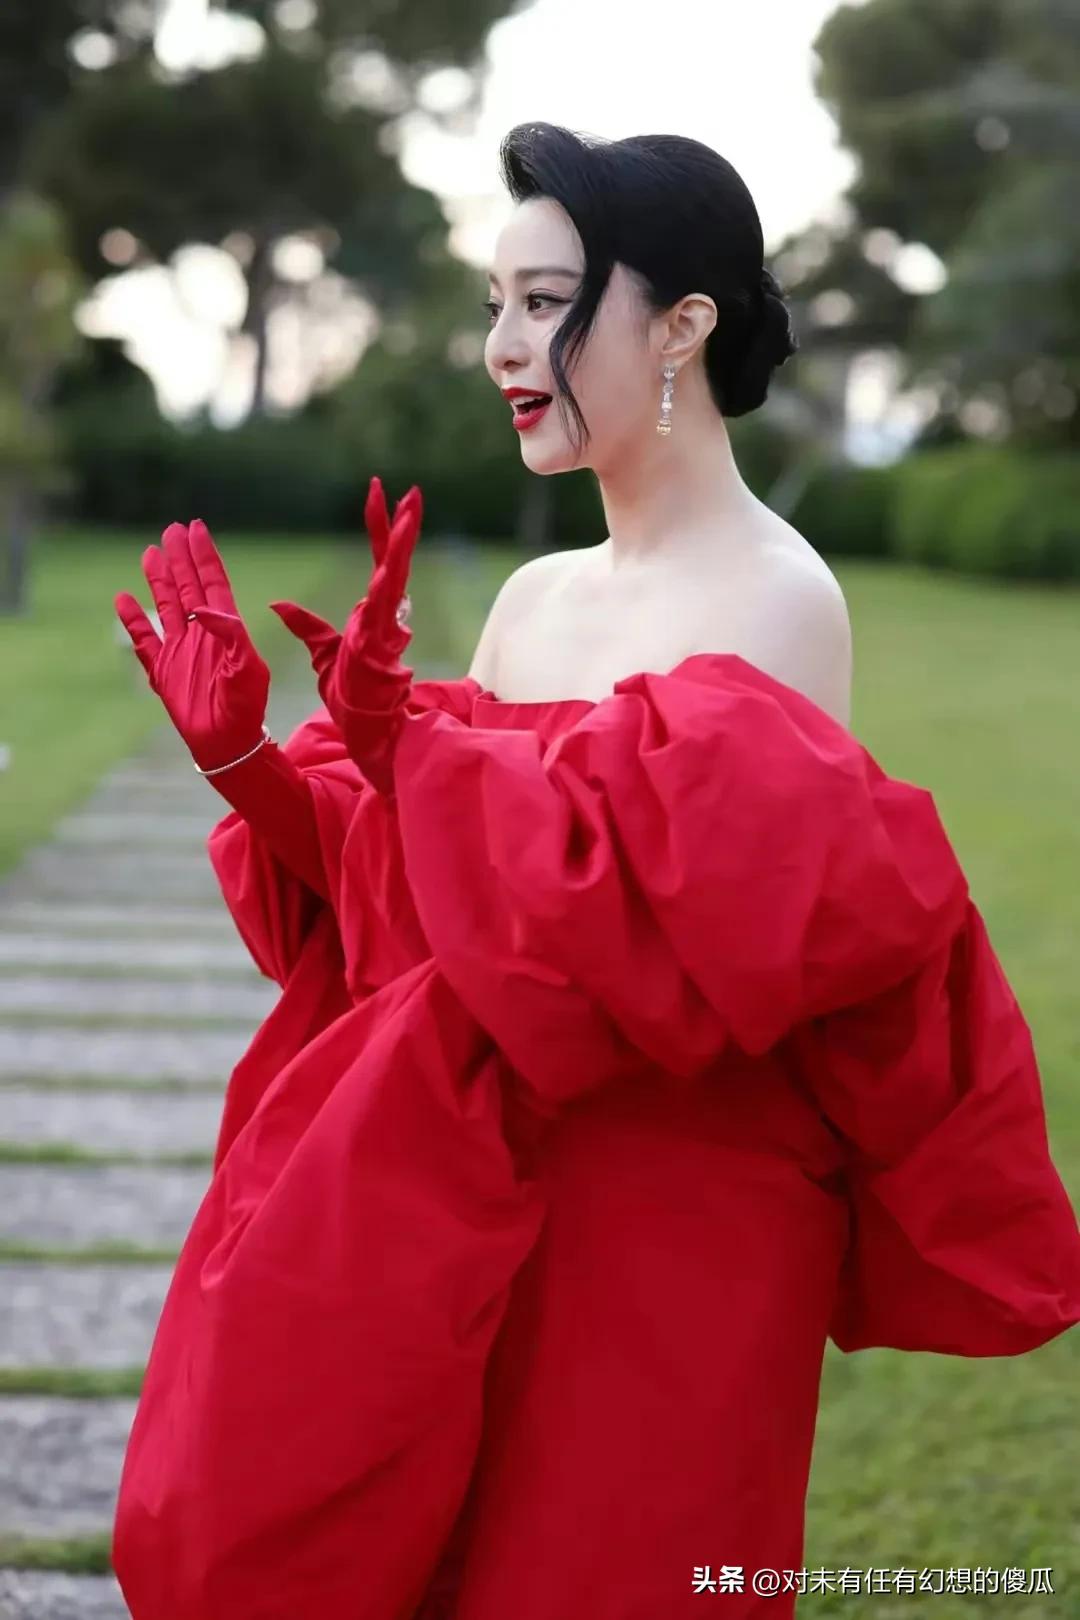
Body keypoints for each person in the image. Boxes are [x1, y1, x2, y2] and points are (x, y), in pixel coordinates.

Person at [110, 122, 1080, 1620]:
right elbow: (423, 914)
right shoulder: (534, 595)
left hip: (670, 1203)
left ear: (683, 323)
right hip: (478, 1172)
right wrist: (248, 760)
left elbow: (639, 934)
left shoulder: (773, 598)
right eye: (495, 302)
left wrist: (410, 753)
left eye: (549, 301)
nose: (504, 345)